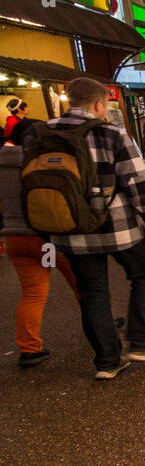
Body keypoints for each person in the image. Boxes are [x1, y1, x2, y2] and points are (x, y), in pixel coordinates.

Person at [44, 78, 145, 380]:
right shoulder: (111, 135)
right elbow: (140, 187)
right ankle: (140, 341)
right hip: (116, 228)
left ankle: (106, 362)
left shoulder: (45, 133)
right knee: (144, 276)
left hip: (69, 230)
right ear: (100, 104)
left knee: (92, 292)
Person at [0, 137, 79, 367]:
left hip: (15, 239)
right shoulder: (41, 162)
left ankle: (29, 348)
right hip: (45, 239)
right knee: (82, 283)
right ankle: (101, 325)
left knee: (32, 294)